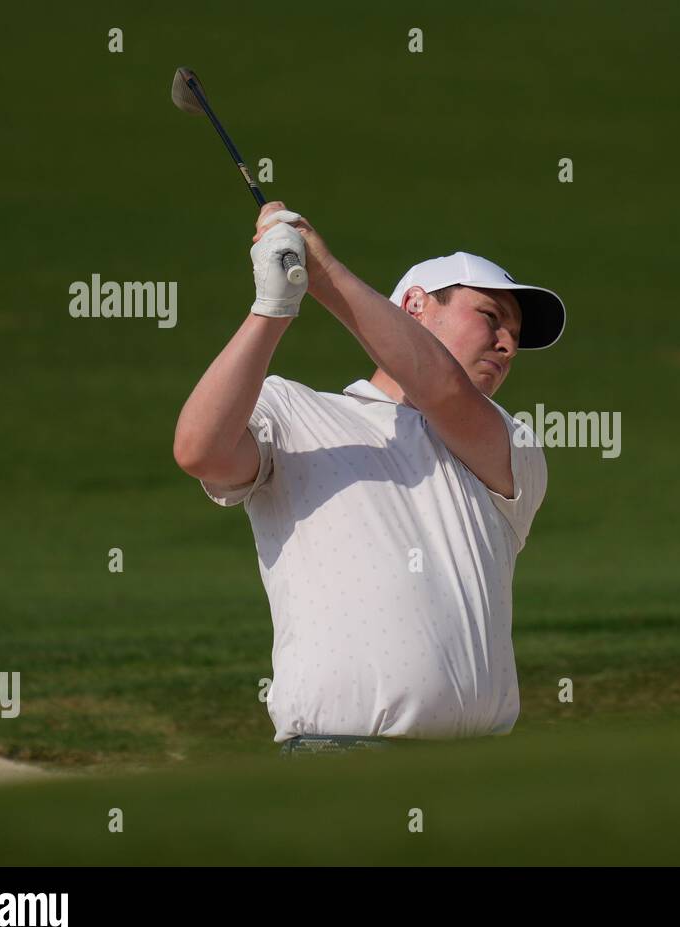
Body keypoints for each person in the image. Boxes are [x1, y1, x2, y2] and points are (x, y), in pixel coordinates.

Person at [172, 202, 566, 752]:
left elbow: (441, 389)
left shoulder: (509, 443)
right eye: (491, 317)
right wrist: (273, 307)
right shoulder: (293, 412)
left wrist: (322, 272)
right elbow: (199, 451)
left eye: (516, 336)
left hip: (481, 769)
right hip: (338, 758)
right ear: (415, 307)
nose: (507, 343)